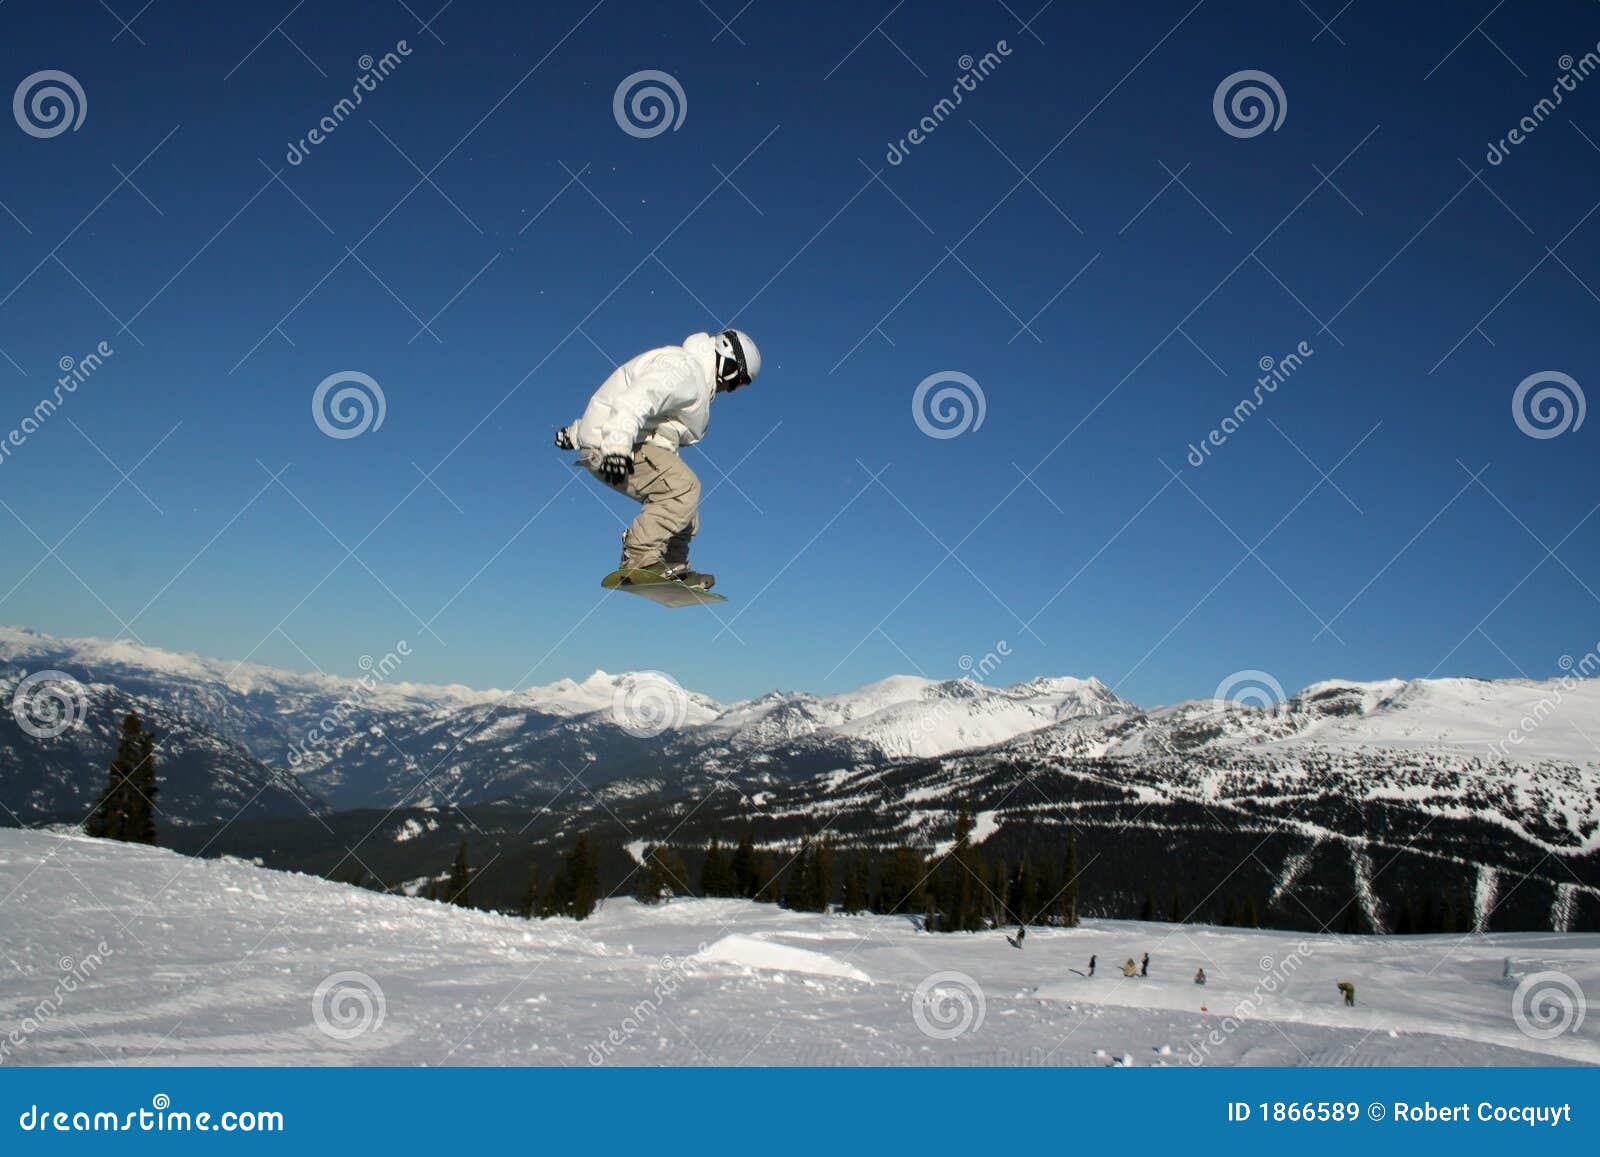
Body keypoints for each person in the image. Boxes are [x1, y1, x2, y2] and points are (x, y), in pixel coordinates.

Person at [555, 329, 761, 589]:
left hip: (623, 441)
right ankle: (639, 556)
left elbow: (652, 421)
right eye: (738, 382)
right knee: (684, 487)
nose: (732, 390)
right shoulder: (683, 369)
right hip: (614, 446)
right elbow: (637, 399)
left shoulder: (695, 381)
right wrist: (616, 446)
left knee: (687, 505)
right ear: (728, 364)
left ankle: (674, 564)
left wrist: (576, 433)